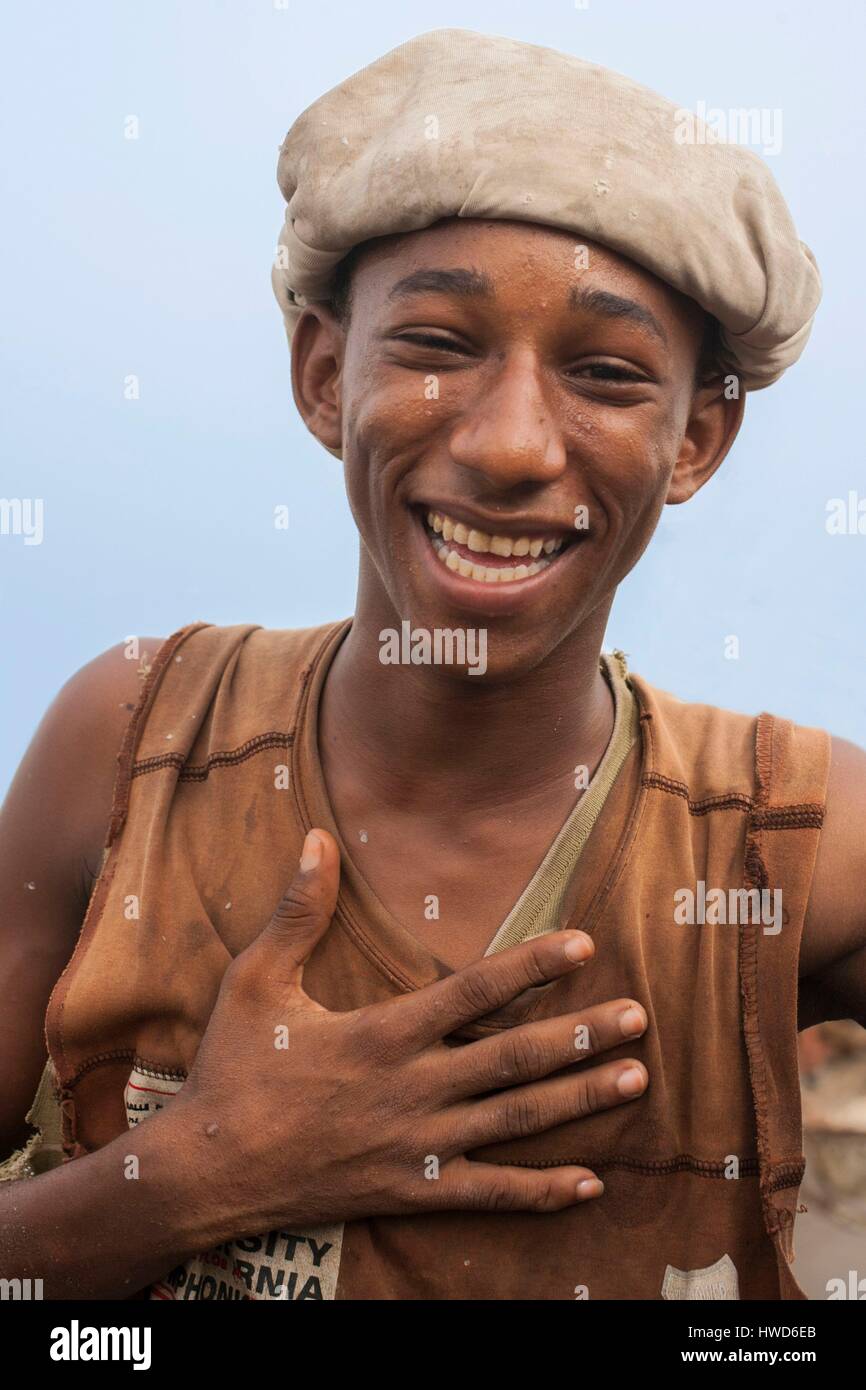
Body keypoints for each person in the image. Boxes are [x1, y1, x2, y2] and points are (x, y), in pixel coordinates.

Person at [1, 28, 864, 1301]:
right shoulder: (129, 740)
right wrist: (199, 1176)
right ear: (321, 372)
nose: (512, 444)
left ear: (695, 439)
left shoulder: (790, 836)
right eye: (437, 345)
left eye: (605, 374)